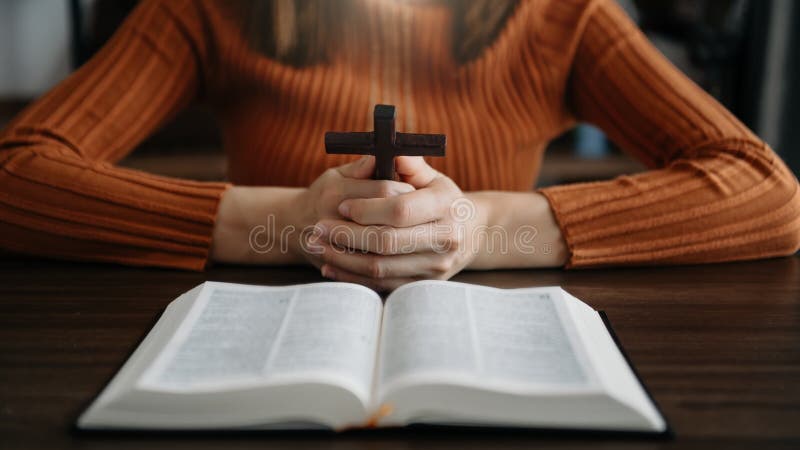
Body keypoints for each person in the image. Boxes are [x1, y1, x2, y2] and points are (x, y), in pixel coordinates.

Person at [1, 0, 798, 291]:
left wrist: (482, 228)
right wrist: (291, 222)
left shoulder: (563, 15)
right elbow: (18, 175)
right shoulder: (206, 8)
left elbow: (766, 193)